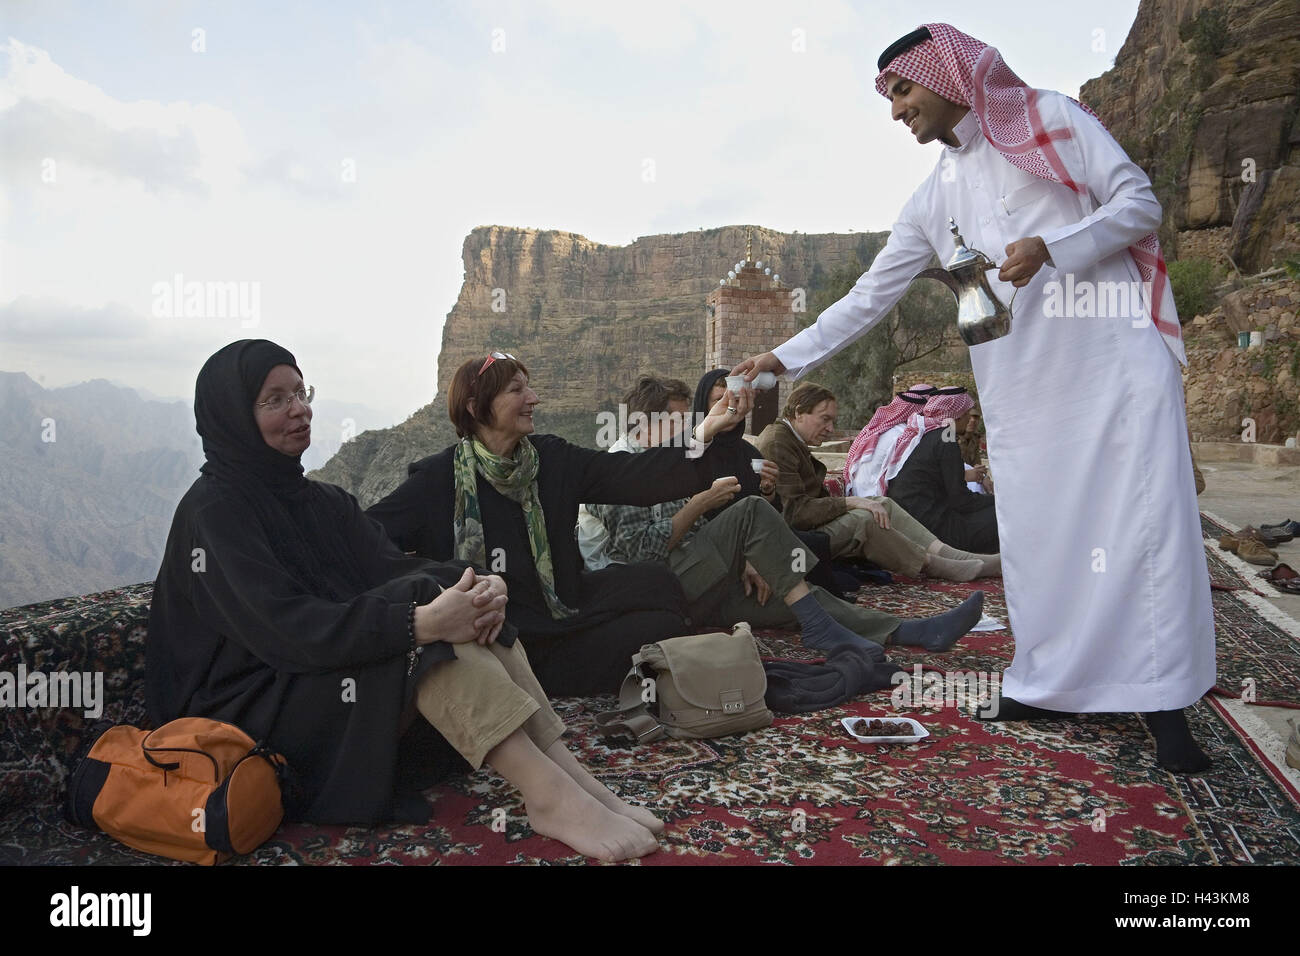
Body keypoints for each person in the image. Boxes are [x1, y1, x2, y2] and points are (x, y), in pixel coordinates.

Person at [734, 23, 1215, 772]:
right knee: (1039, 536)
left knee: (1139, 529)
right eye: (887, 97)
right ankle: (1047, 681)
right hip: (1023, 388)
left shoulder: (1051, 120)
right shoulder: (933, 199)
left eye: (902, 89)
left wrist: (1056, 246)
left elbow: (1137, 205)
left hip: (1112, 367)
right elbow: (868, 297)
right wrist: (781, 356)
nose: (896, 111)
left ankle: (1164, 701)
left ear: (950, 74)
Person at [147, 340, 661, 862]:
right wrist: (419, 622)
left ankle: (570, 777)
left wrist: (480, 583)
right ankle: (550, 796)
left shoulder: (321, 502)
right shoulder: (215, 514)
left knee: (451, 599)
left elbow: (393, 568)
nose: (300, 408)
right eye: (275, 400)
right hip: (247, 709)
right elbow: (288, 630)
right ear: (233, 416)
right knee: (422, 634)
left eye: (301, 392)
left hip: (317, 674)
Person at [366, 353, 750, 697]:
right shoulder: (436, 478)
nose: (533, 398)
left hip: (564, 600)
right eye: (517, 390)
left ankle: (570, 665)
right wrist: (442, 585)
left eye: (529, 388)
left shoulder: (551, 458)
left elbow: (633, 476)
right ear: (475, 406)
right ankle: (533, 675)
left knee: (658, 584)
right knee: (656, 630)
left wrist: (704, 433)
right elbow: (368, 539)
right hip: (507, 628)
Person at [579, 375, 985, 654]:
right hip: (653, 588)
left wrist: (746, 559)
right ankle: (821, 627)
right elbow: (644, 555)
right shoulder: (618, 471)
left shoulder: (663, 457)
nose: (686, 431)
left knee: (798, 597)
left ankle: (911, 630)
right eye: (677, 422)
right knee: (752, 510)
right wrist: (701, 501)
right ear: (644, 424)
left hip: (691, 577)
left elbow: (696, 529)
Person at [754, 382, 1000, 580]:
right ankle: (934, 565)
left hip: (826, 522)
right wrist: (851, 503)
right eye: (824, 419)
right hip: (796, 538)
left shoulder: (790, 438)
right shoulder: (778, 442)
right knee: (866, 518)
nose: (830, 428)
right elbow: (794, 513)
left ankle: (955, 557)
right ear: (798, 412)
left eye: (832, 421)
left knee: (883, 504)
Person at [871, 387, 1000, 553]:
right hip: (933, 529)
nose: (969, 419)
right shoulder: (946, 438)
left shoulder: (920, 435)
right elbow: (961, 501)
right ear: (956, 415)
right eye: (967, 413)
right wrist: (998, 501)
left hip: (910, 522)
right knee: (1002, 514)